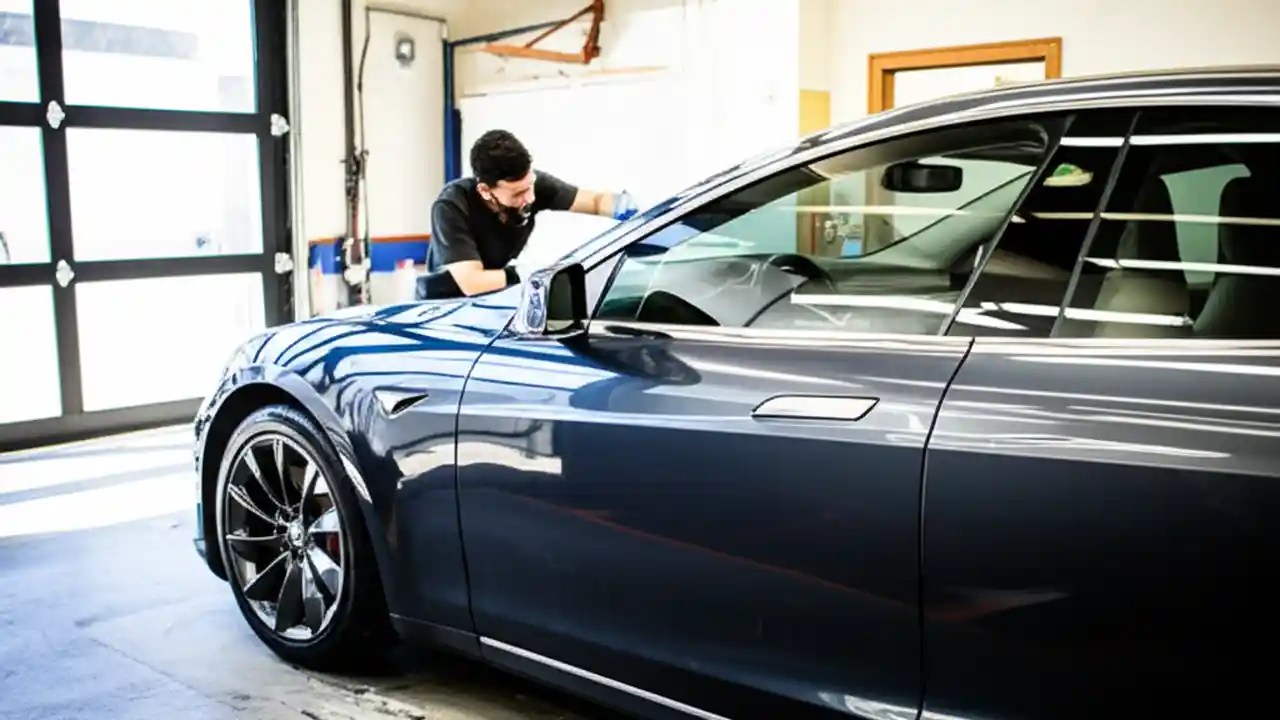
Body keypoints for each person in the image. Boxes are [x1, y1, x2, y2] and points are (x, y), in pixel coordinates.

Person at [418, 129, 638, 299]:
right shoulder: (452, 205)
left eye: (530, 185)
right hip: (444, 306)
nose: (530, 198)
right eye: (518, 193)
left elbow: (595, 202)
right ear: (485, 191)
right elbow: (473, 283)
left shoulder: (532, 186)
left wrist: (629, 210)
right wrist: (527, 273)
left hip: (491, 295)